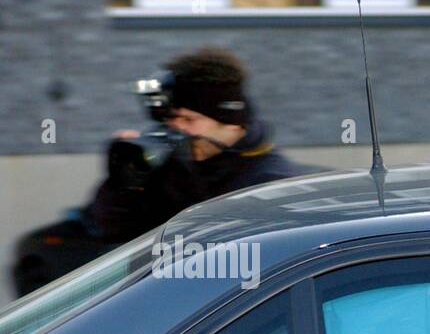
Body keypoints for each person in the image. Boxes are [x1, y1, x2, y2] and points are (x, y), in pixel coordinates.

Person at [86, 47, 303, 243]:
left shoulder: (272, 186)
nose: (175, 130)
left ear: (232, 124)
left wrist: (186, 190)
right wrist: (123, 183)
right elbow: (110, 233)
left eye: (188, 120)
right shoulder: (172, 161)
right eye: (169, 120)